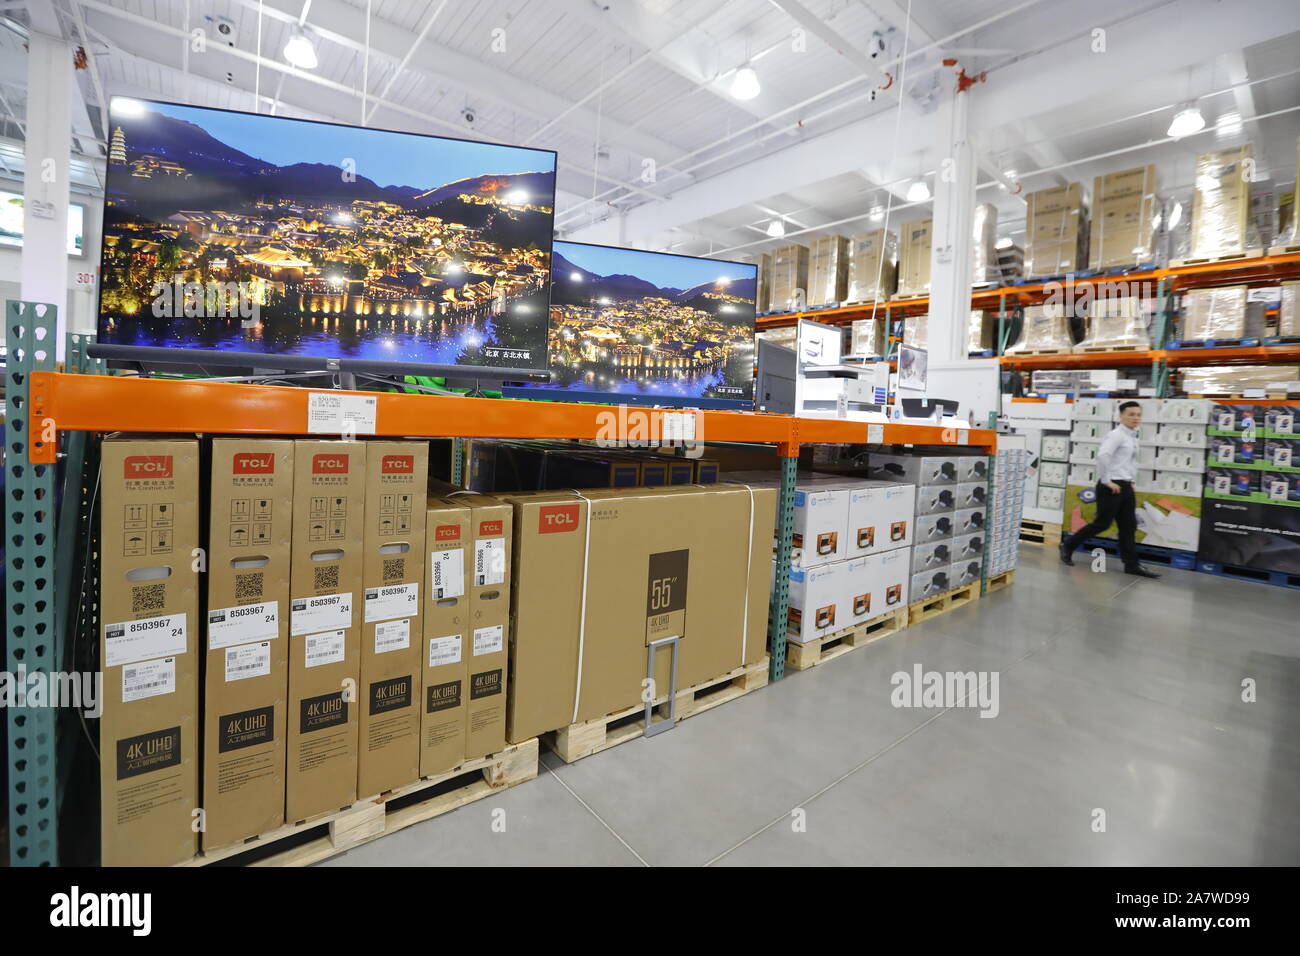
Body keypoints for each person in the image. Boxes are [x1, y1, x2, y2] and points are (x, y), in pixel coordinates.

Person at [1060, 401, 1160, 578]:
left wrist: (1131, 480)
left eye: (1138, 414)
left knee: (1129, 526)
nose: (1135, 418)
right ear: (1121, 416)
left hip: (1125, 485)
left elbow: (1126, 462)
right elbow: (1103, 456)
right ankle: (1068, 545)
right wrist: (1107, 480)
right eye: (1131, 414)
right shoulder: (1116, 435)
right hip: (1111, 487)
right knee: (1102, 523)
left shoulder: (1132, 436)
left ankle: (1131, 565)